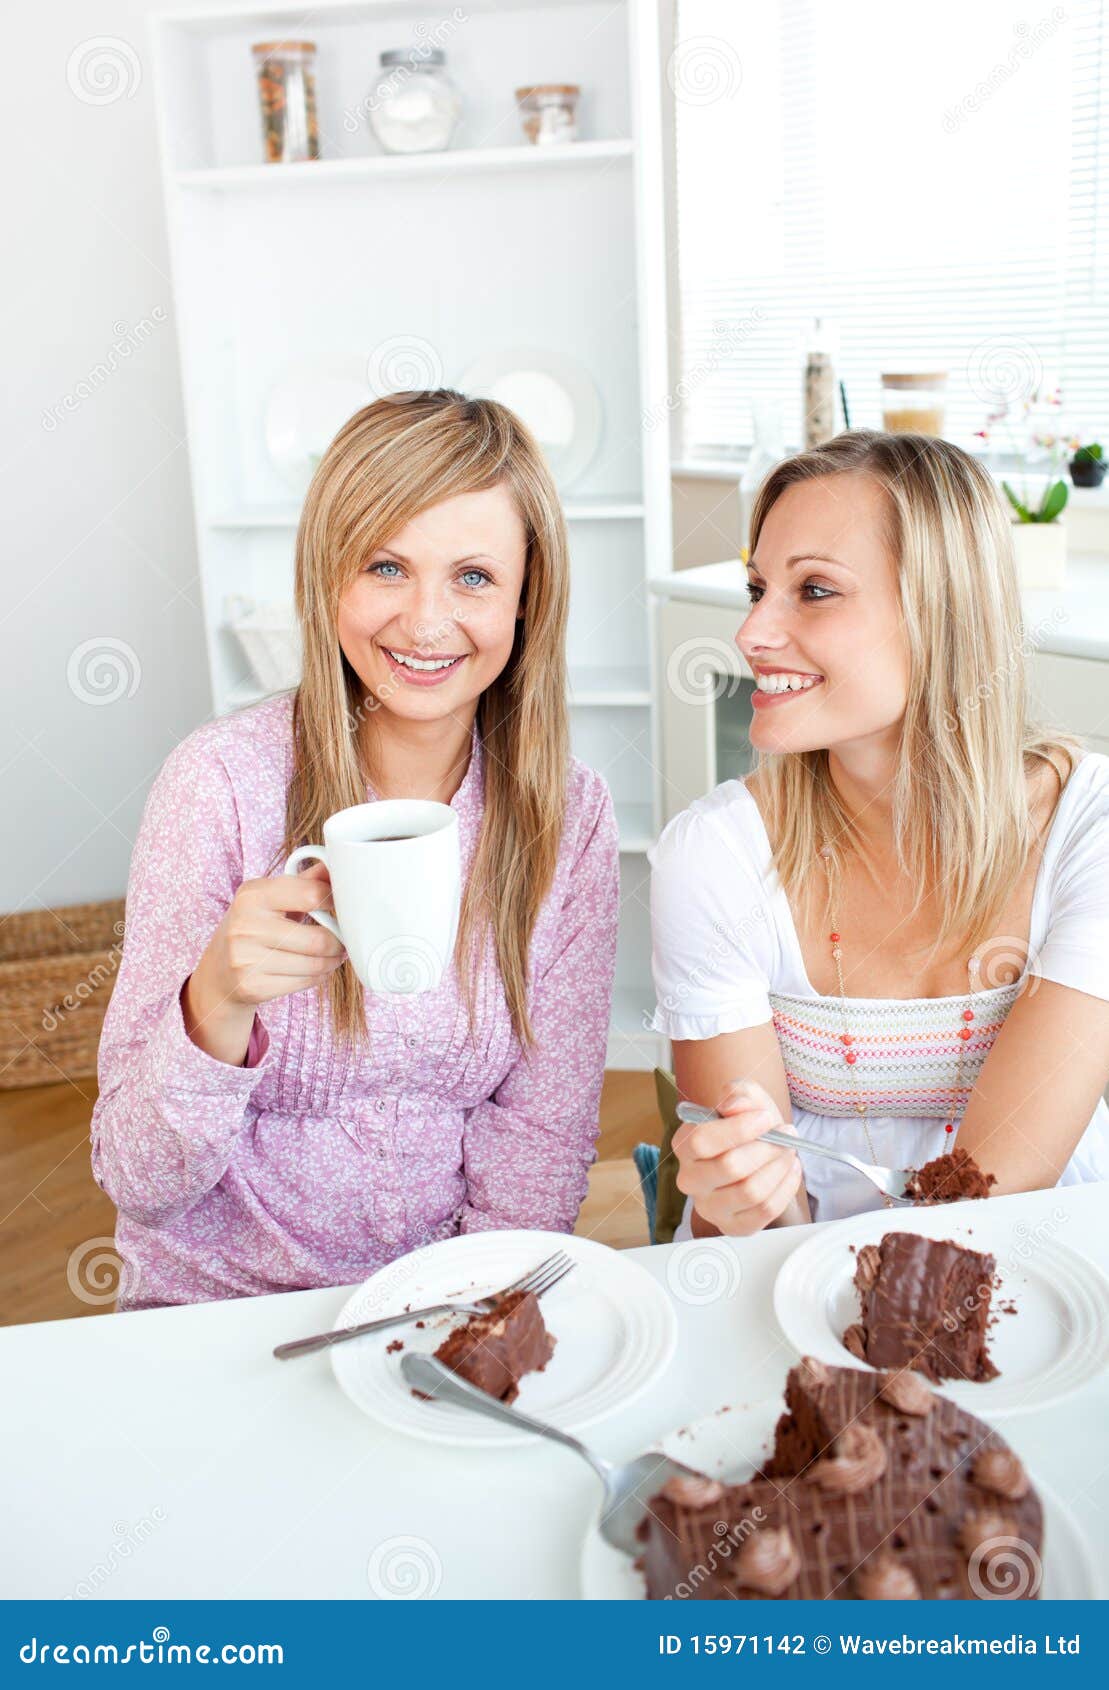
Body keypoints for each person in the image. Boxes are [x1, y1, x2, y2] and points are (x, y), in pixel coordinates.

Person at [91, 391, 620, 1306]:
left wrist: (475, 1319)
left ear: (529, 598)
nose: (423, 622)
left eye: (474, 577)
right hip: (214, 1308)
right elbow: (139, 1180)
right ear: (326, 577)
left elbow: (542, 1136)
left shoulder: (564, 815)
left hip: (439, 1301)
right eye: (385, 565)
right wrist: (214, 1000)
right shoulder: (217, 785)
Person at [648, 429, 1109, 1237]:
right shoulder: (712, 857)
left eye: (814, 590)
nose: (752, 634)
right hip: (795, 1271)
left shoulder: (1087, 829)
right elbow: (756, 1232)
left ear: (942, 610)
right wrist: (745, 1198)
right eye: (757, 588)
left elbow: (992, 1196)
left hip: (1035, 1254)